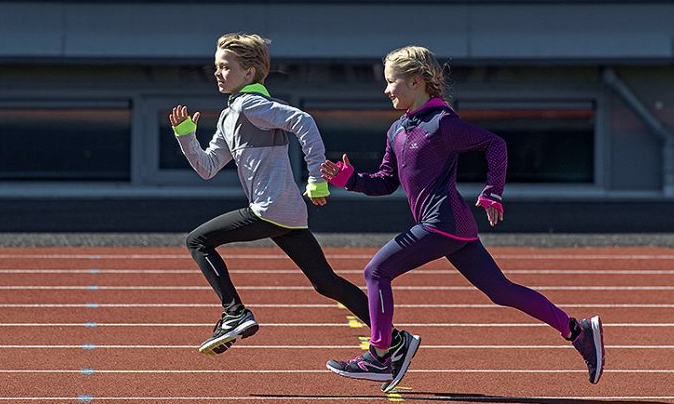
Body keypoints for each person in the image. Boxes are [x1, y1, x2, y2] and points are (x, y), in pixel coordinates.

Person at [323, 46, 604, 387]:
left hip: (442, 222)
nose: (386, 90)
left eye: (391, 82)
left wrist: (492, 191)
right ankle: (578, 330)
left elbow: (495, 144)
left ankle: (382, 353)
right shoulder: (397, 130)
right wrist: (348, 180)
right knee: (501, 291)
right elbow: (386, 182)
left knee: (377, 271)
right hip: (451, 226)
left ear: (415, 82)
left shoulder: (442, 124)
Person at [169, 33, 420, 386]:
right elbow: (208, 168)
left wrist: (317, 178)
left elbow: (303, 121)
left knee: (198, 241)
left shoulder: (250, 106)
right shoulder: (230, 115)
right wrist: (185, 135)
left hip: (270, 210)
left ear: (250, 72)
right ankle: (394, 339)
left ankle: (234, 313)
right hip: (286, 214)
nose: (219, 73)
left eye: (226, 67)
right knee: (326, 283)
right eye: (216, 67)